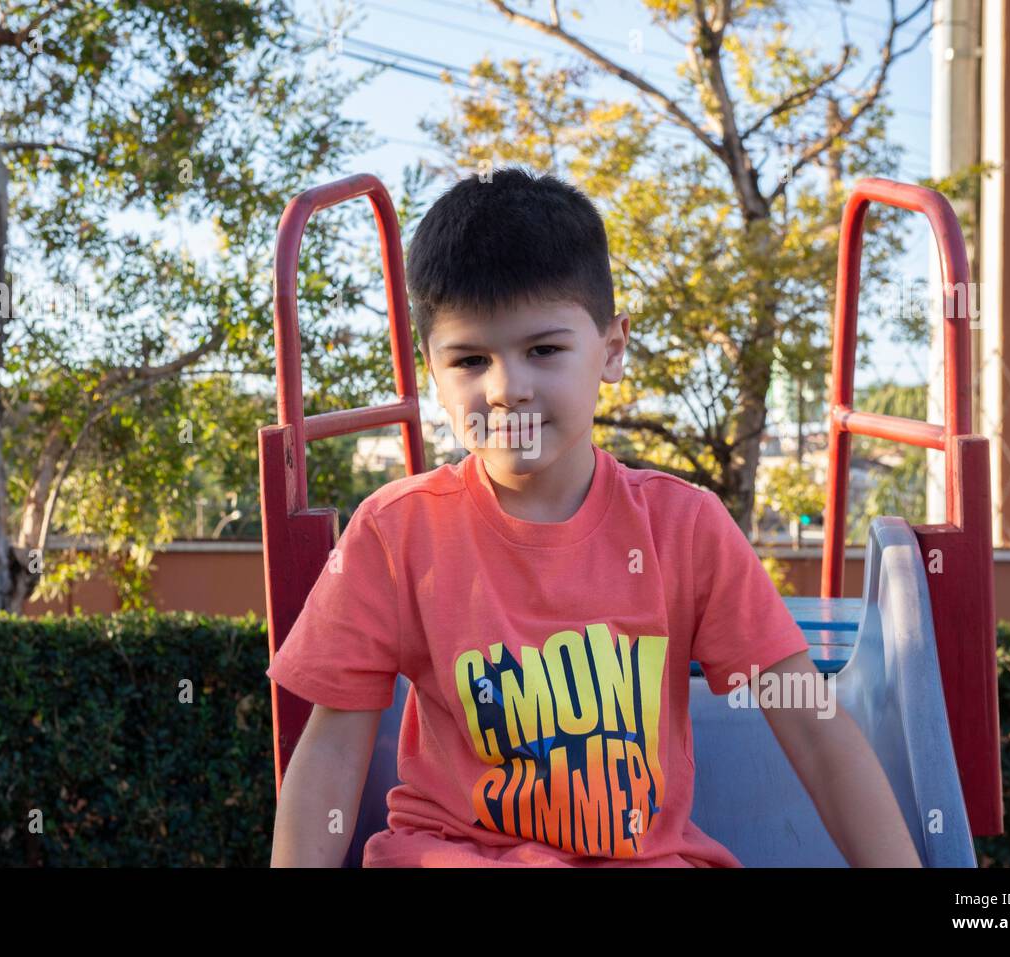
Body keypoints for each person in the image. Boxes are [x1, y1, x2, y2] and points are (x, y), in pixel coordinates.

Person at [268, 166, 921, 868]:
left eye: (543, 350)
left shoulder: (684, 527)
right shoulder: (397, 533)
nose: (507, 388)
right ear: (431, 369)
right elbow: (333, 748)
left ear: (611, 350)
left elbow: (815, 729)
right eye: (470, 359)